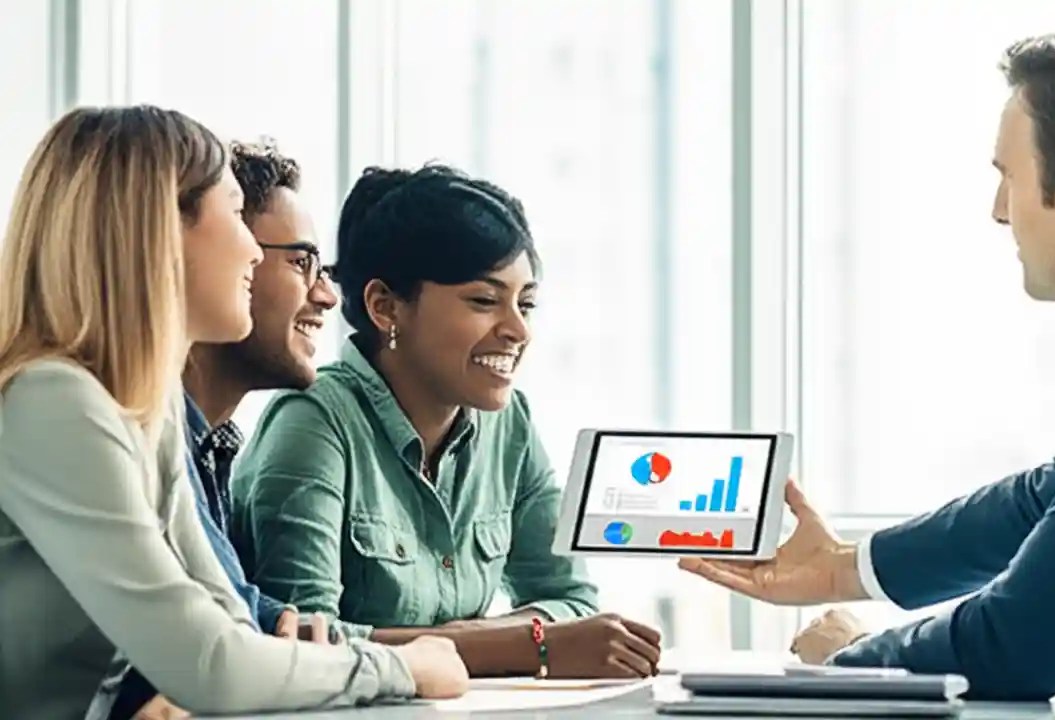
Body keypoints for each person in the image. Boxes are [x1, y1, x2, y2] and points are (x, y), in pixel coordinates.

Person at [679, 26, 1055, 719]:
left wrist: (849, 662)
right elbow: (1045, 499)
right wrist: (843, 567)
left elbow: (1018, 646)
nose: (999, 211)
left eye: (1008, 177)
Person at [0, 106, 467, 720]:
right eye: (231, 211)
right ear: (160, 229)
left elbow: (232, 626)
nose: (251, 248)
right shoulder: (52, 402)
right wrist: (404, 666)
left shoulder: (149, 402)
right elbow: (213, 666)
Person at [230, 163, 664, 678]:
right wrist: (530, 646)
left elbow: (571, 599)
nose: (518, 330)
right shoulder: (313, 423)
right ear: (385, 306)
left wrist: (481, 642)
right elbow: (302, 640)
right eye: (484, 301)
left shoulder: (510, 426)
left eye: (526, 303)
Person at [108, 139, 347, 720]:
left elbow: (235, 614)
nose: (327, 294)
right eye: (301, 262)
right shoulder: (125, 430)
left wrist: (273, 624)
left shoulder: (209, 448)